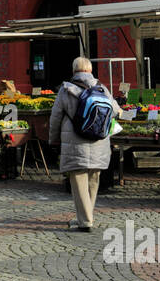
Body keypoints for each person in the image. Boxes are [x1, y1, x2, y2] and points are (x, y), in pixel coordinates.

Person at [49, 57, 114, 233]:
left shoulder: (66, 90)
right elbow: (114, 111)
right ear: (91, 70)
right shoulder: (102, 88)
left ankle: (85, 221)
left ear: (74, 70)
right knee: (93, 180)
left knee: (79, 183)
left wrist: (53, 138)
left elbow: (55, 117)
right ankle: (87, 217)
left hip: (75, 141)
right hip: (99, 141)